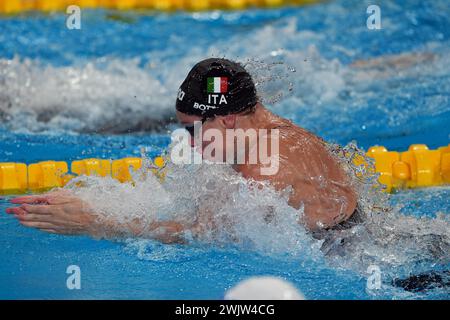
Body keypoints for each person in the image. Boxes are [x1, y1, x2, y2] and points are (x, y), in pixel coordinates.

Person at [6, 58, 358, 243]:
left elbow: (197, 234)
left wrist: (95, 221)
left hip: (343, 257)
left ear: (229, 120)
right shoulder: (275, 128)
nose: (190, 143)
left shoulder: (262, 169)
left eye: (193, 130)